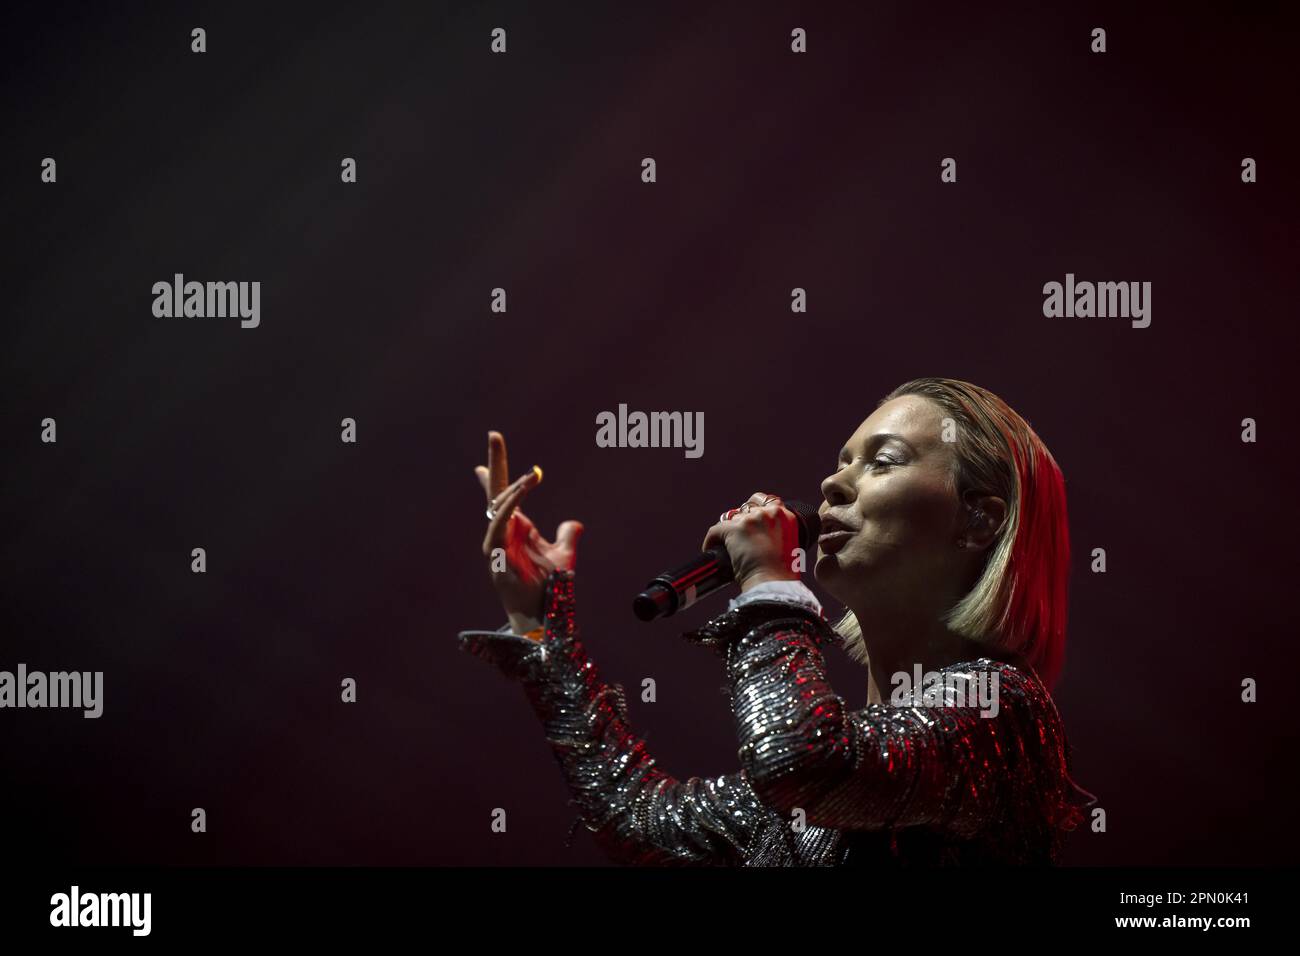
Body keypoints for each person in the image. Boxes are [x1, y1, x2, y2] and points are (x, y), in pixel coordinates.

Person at [457, 377, 1095, 865]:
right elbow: (643, 825)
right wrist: (546, 629)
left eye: (884, 460)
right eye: (842, 462)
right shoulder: (824, 783)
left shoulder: (1002, 710)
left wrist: (768, 582)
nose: (833, 483)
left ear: (979, 520)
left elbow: (802, 761)